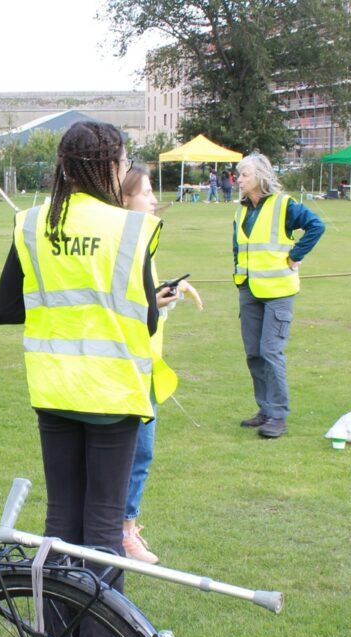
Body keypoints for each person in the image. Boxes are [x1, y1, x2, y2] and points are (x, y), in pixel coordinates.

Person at [0, 120, 178, 637]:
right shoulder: (130, 227)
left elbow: (5, 308)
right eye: (122, 162)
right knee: (100, 530)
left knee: (60, 525)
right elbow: (146, 317)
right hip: (112, 392)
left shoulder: (32, 222)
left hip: (54, 389)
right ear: (111, 166)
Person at [117, 165, 202, 565]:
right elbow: (121, 306)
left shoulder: (142, 241)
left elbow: (139, 299)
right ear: (125, 199)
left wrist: (163, 295)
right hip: (127, 367)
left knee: (140, 451)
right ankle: (122, 529)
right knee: (136, 451)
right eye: (146, 192)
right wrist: (154, 301)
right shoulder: (124, 242)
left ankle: (125, 525)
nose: (154, 200)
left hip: (144, 364)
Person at [233, 153, 326, 438]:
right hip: (249, 289)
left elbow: (316, 226)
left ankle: (278, 416)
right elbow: (239, 247)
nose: (239, 179)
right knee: (253, 353)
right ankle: (265, 409)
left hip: (278, 292)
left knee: (270, 351)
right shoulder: (242, 210)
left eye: (244, 174)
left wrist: (296, 255)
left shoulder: (284, 205)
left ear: (260, 176)